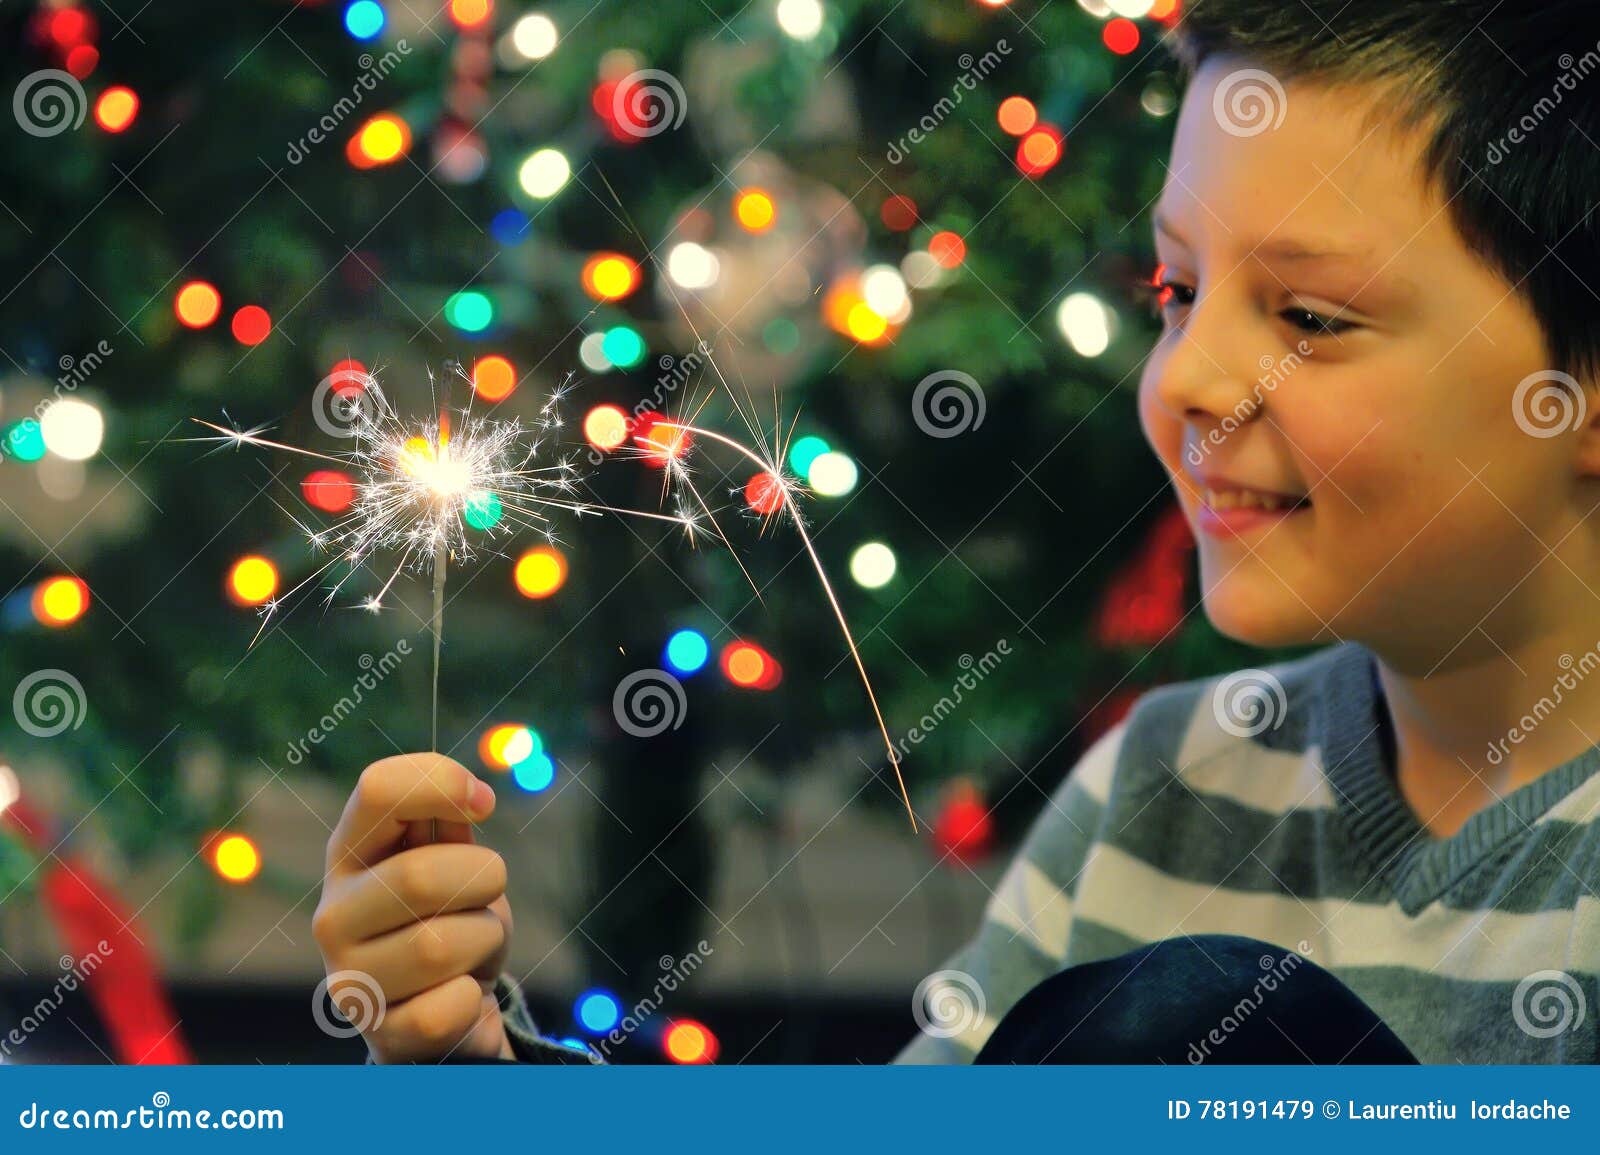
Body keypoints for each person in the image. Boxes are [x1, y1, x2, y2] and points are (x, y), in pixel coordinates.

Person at [314, 0, 1600, 1065]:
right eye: (1176, 291)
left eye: (1310, 319)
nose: (1187, 380)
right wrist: (468, 1073)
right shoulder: (1162, 793)